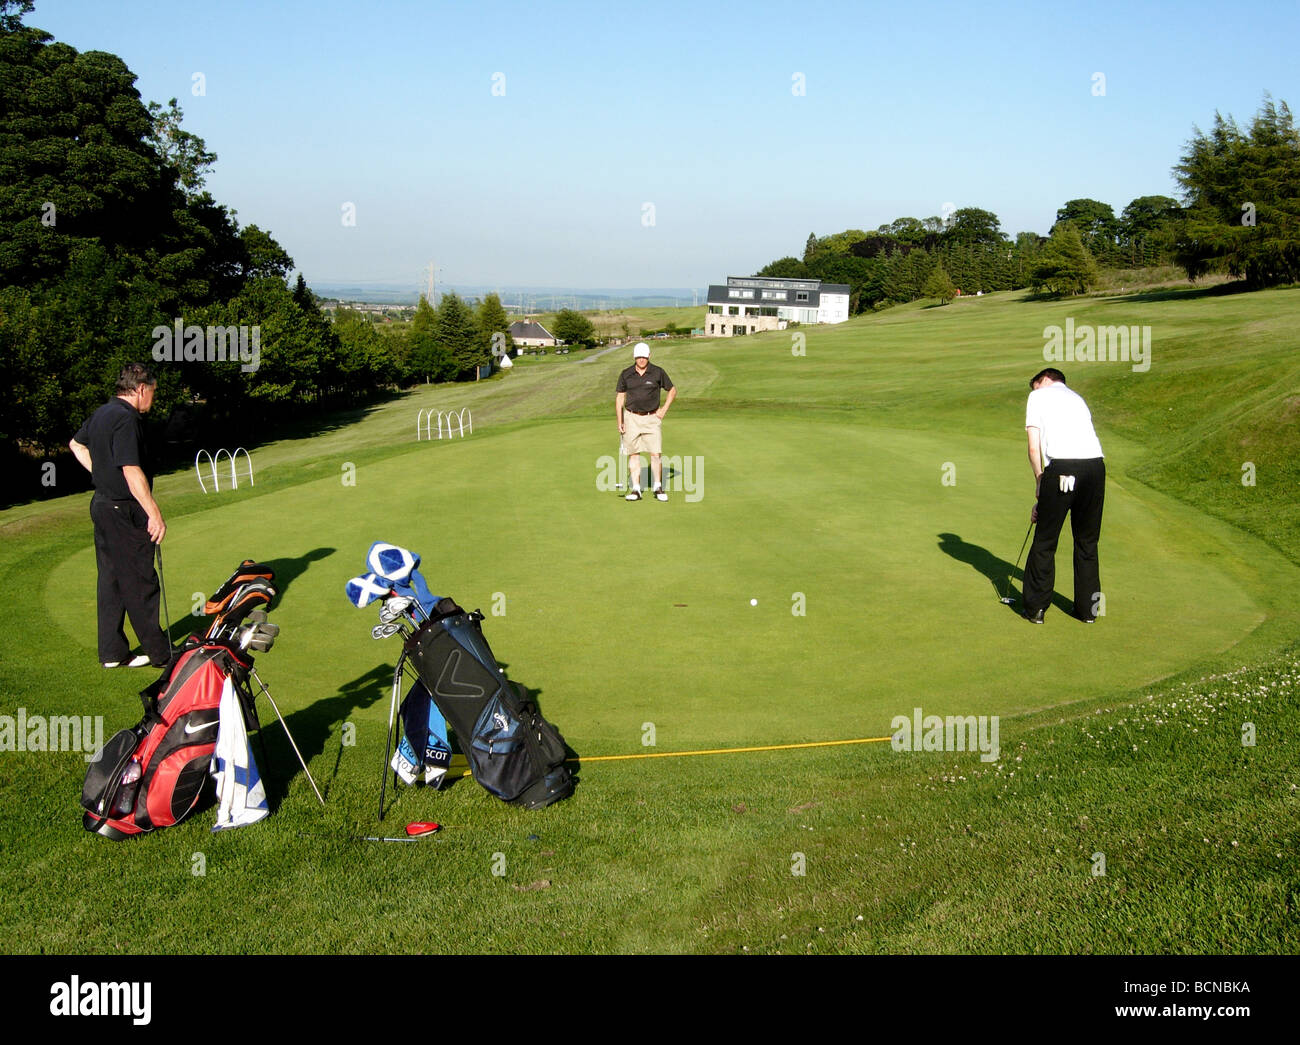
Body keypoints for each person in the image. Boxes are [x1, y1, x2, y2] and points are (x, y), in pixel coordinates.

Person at [69, 362, 171, 667]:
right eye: (152, 391)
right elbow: (131, 468)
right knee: (140, 580)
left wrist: (101, 473)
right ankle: (162, 654)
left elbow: (76, 444)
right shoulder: (126, 419)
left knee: (112, 578)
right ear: (141, 389)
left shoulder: (102, 412)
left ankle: (113, 652)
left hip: (101, 505)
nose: (153, 397)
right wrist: (154, 513)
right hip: (124, 509)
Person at [1022, 367, 1105, 623]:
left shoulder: (1038, 396)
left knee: (1046, 541)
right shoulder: (1077, 398)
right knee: (1087, 542)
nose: (1034, 391)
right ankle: (1088, 611)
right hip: (1095, 468)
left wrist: (1039, 481)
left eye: (1035, 385)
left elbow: (1033, 446)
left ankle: (1036, 609)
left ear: (1044, 380)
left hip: (1063, 468)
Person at [615, 342, 676, 501]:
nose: (641, 360)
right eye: (638, 357)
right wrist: (620, 420)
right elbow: (620, 397)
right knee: (633, 454)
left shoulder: (657, 372)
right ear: (634, 357)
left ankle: (658, 487)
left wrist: (664, 410)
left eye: (644, 356)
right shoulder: (626, 373)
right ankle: (636, 489)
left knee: (655, 454)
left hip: (651, 418)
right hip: (631, 417)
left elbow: (672, 390)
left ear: (649, 356)